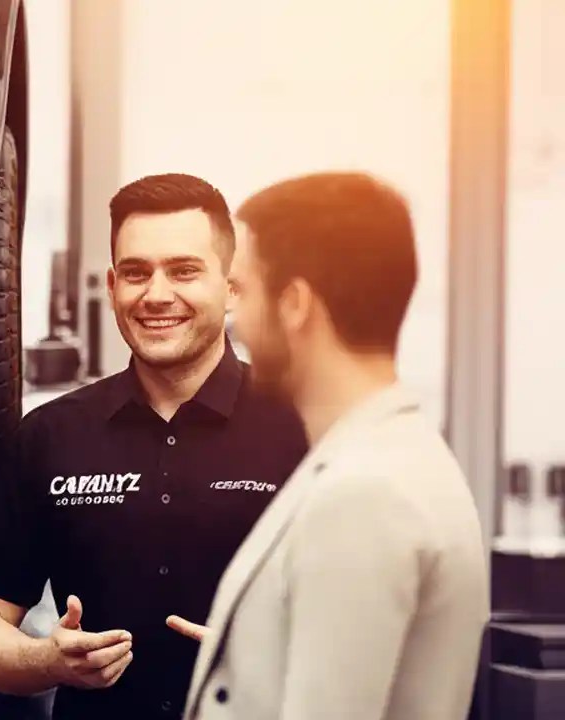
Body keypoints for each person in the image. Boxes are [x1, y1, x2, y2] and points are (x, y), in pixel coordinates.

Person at [0, 173, 309, 719]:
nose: (157, 295)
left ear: (231, 287)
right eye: (137, 274)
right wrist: (46, 659)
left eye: (185, 271)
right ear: (113, 284)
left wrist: (267, 661)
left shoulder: (300, 428)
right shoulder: (52, 435)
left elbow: (373, 622)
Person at [179, 172, 490, 720]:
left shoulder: (365, 494)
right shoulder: (395, 457)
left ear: (294, 303)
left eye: (244, 291)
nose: (236, 320)